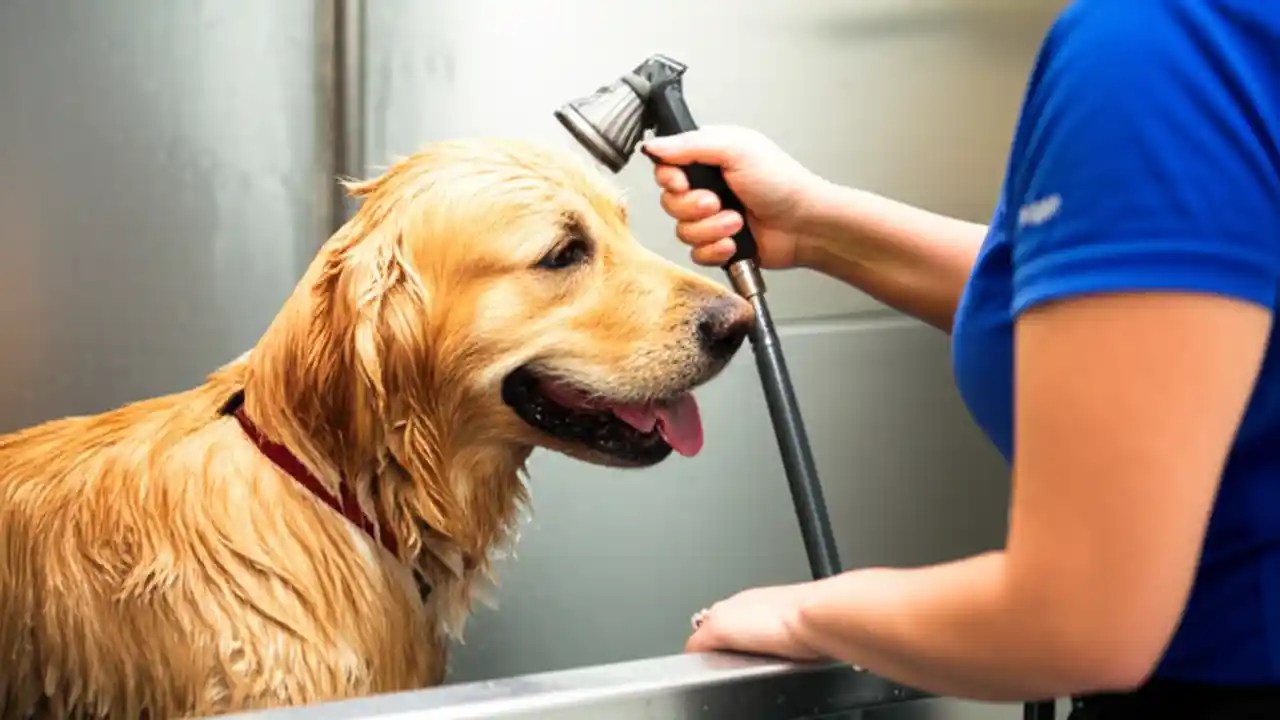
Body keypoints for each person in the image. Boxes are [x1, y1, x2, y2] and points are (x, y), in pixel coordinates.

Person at [643, 2, 1280, 718]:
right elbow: (1161, 307)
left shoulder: (1157, 42)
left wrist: (807, 616)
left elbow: (1080, 618)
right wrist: (815, 229)